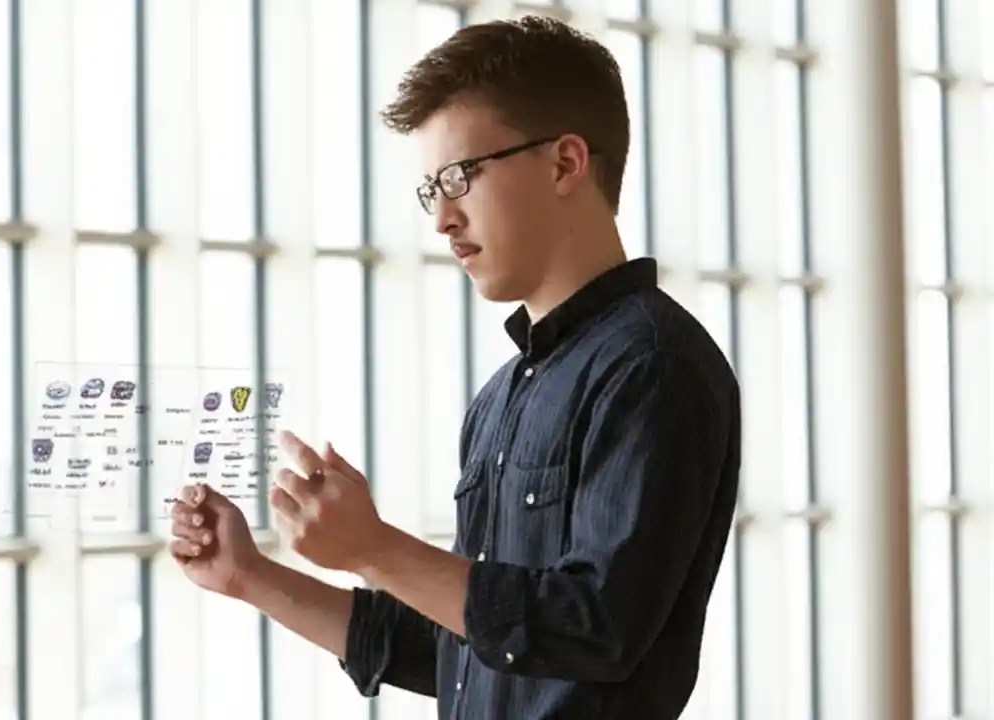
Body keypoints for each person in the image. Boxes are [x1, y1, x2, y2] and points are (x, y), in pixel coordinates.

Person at [166, 14, 740, 720]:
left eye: (461, 177)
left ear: (566, 162)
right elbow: (466, 650)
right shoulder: (502, 397)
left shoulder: (653, 367)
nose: (441, 218)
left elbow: (596, 629)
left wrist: (373, 548)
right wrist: (250, 576)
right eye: (430, 189)